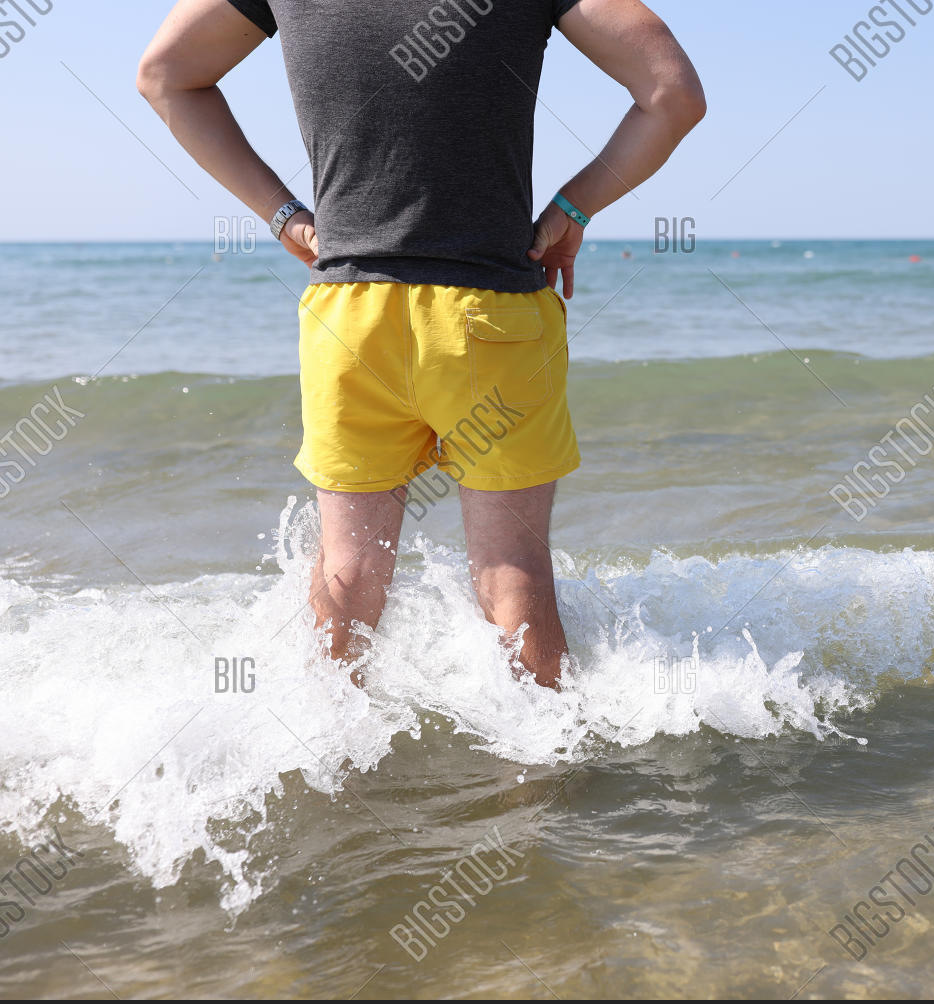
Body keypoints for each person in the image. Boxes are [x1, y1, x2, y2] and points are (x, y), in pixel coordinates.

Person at [137, 0, 705, 688]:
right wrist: (573, 208)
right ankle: (542, 787)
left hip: (350, 315)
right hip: (491, 312)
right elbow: (672, 92)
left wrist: (283, 216)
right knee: (510, 577)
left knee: (348, 577)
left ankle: (331, 778)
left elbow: (164, 74)